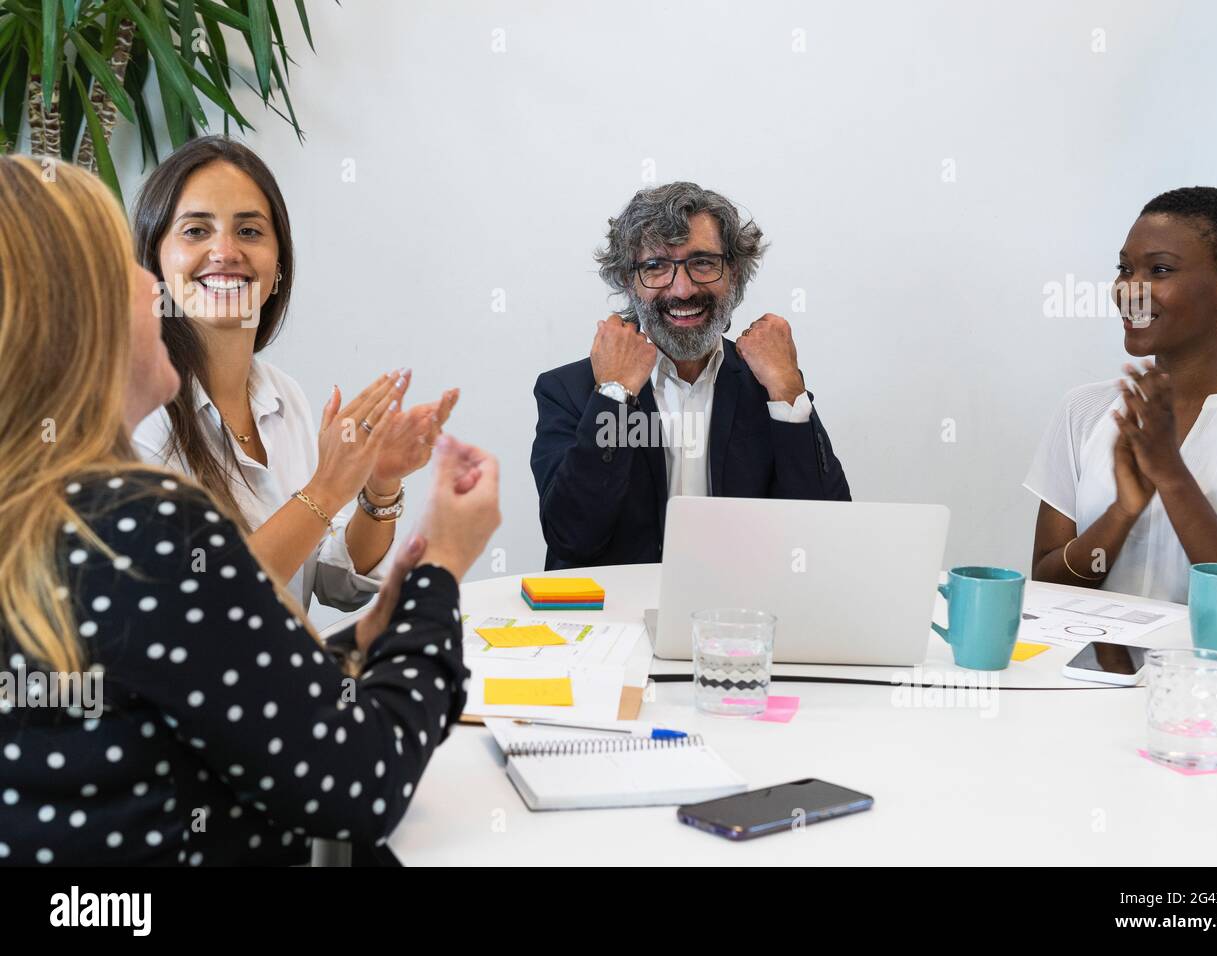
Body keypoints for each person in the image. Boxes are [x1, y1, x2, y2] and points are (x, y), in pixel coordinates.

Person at [0, 156, 500, 865]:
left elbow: (217, 663)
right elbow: (361, 783)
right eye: (127, 267)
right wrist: (443, 564)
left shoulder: (54, 505)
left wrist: (375, 619)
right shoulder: (138, 519)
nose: (151, 287)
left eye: (249, 230)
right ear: (71, 317)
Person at [132, 136, 459, 614]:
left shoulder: (284, 396)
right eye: (196, 231)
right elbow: (201, 610)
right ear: (155, 260)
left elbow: (332, 581)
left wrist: (377, 485)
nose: (224, 251)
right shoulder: (138, 413)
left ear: (278, 265)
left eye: (248, 232)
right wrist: (326, 488)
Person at [531, 181, 851, 569]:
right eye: (656, 266)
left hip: (736, 615)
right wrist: (613, 396)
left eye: (702, 262)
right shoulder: (568, 392)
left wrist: (787, 390)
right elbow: (573, 539)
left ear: (733, 272)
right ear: (628, 282)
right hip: (614, 620)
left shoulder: (767, 384)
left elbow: (825, 534)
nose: (682, 290)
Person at [1025, 186, 1217, 615]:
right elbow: (1046, 587)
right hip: (1088, 675)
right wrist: (1123, 511)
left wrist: (1171, 478)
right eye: (1124, 269)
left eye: (1159, 270)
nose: (1129, 290)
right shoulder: (1084, 410)